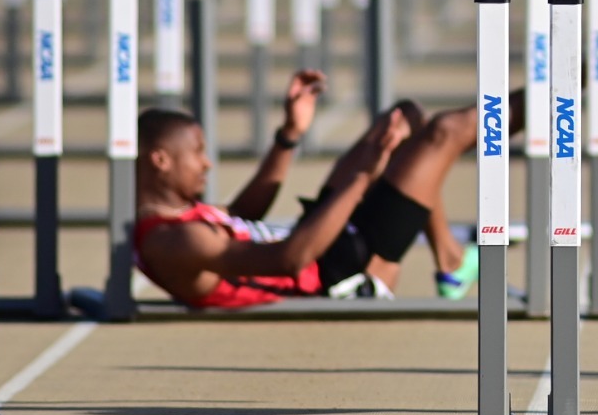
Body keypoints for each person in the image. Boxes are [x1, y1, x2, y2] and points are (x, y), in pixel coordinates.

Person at [133, 71, 480, 307]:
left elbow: (245, 215)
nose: (207, 164)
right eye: (198, 153)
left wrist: (289, 134)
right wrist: (361, 176)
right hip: (338, 276)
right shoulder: (173, 240)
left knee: (405, 118)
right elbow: (289, 261)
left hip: (319, 243)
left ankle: (451, 258)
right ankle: (534, 100)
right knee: (447, 130)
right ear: (161, 160)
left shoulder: (179, 220)